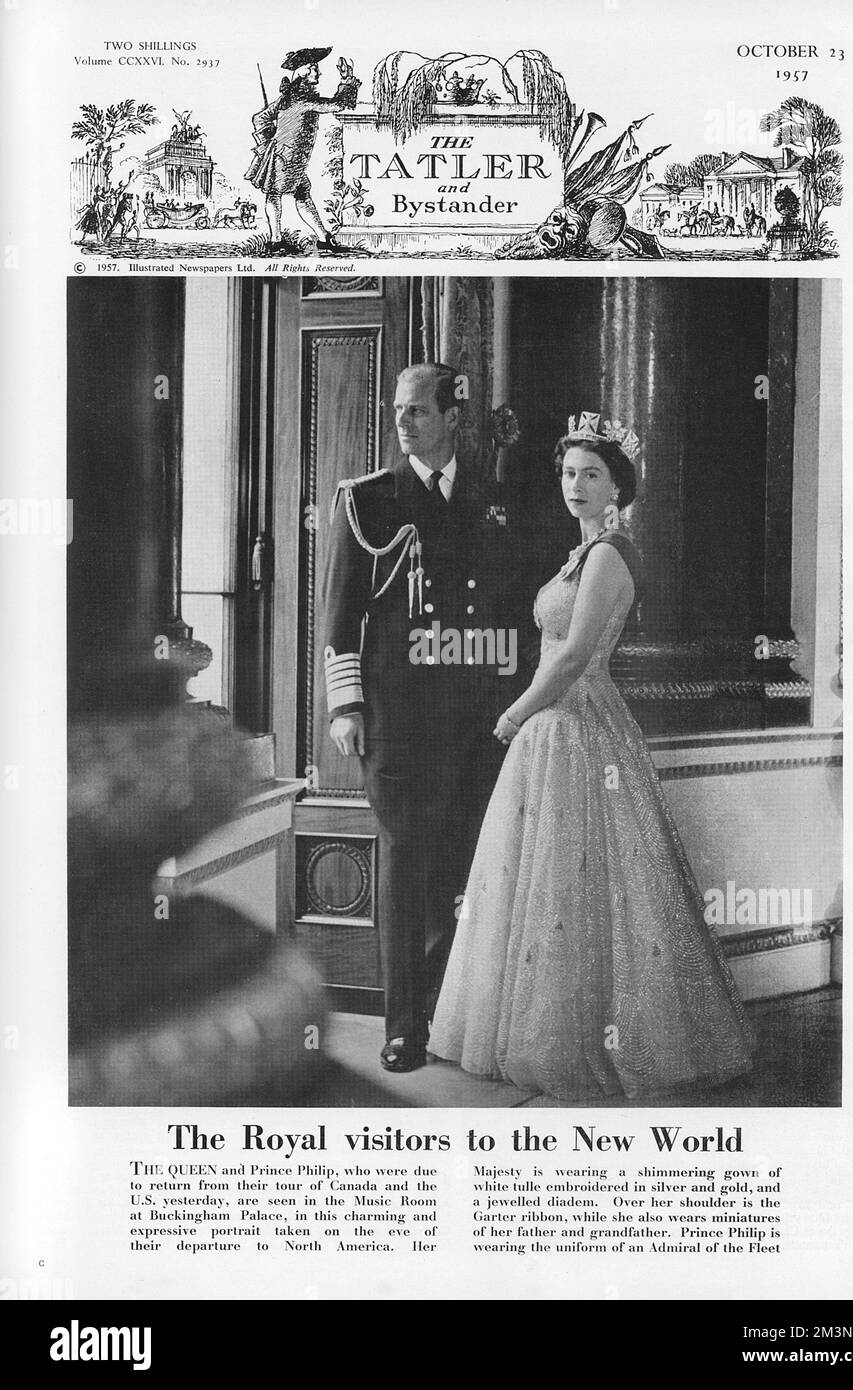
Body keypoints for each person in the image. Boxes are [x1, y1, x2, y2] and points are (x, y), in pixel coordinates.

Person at [429, 414, 754, 1101]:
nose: (574, 486)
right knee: (545, 875)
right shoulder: (579, 554)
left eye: (590, 475)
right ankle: (530, 1030)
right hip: (555, 728)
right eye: (568, 473)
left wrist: (516, 712)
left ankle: (592, 1040)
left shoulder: (609, 554)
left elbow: (575, 655)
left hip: (578, 724)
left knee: (585, 878)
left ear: (616, 489)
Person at [322, 363, 525, 1073]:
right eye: (399, 410)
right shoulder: (368, 501)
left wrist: (516, 701)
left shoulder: (493, 498)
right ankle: (404, 1025)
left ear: (450, 417)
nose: (403, 422)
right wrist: (345, 705)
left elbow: (513, 613)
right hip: (399, 724)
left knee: (465, 868)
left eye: (417, 410)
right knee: (407, 871)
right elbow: (339, 616)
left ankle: (448, 1010)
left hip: (478, 721)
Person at [245, 46, 357, 251]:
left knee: (298, 194)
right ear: (304, 71)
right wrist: (347, 81)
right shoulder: (303, 99)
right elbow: (338, 105)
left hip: (289, 157)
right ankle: (276, 241)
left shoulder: (290, 98)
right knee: (277, 193)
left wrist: (269, 138)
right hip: (285, 159)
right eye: (314, 68)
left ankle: (322, 238)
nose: (319, 72)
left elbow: (260, 117)